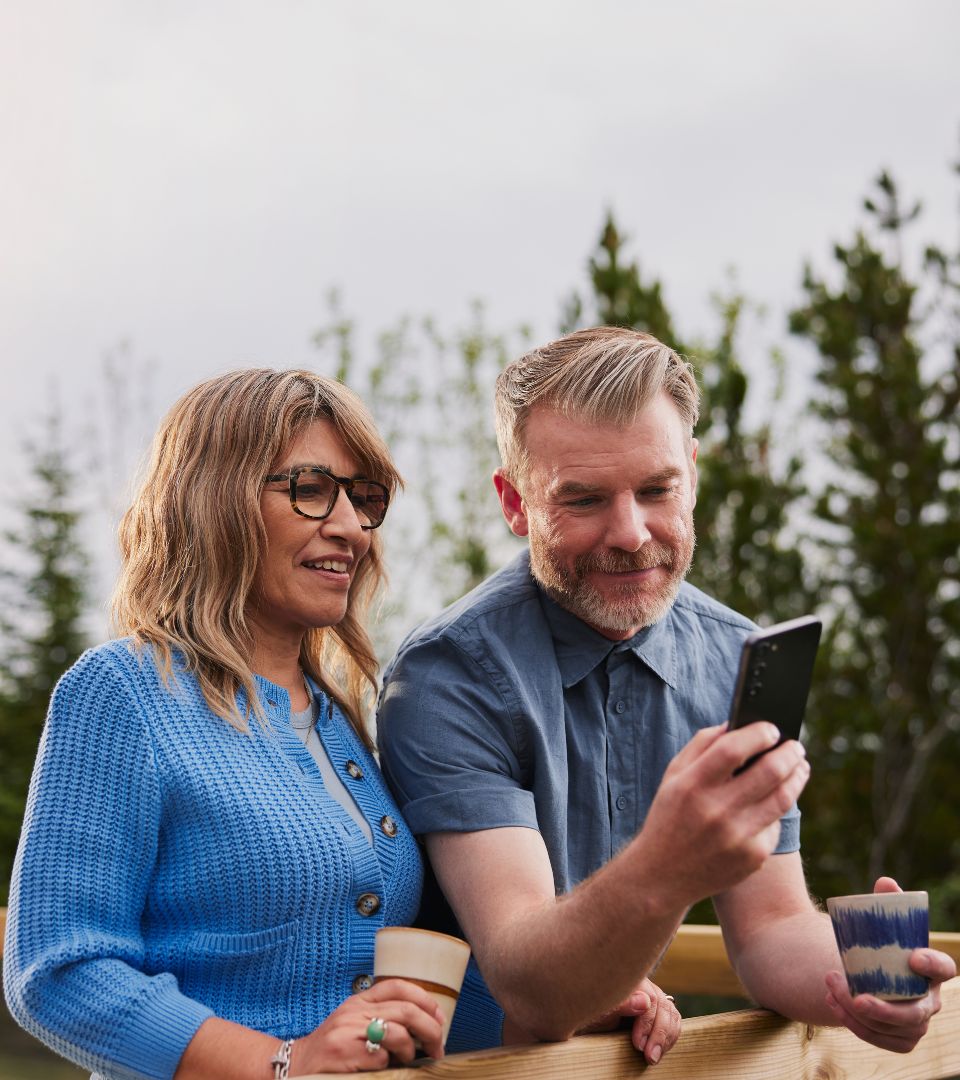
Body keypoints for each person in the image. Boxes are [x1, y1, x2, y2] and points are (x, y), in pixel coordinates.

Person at [378, 326, 956, 1063]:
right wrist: (674, 859)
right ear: (514, 503)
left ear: (693, 472)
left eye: (657, 490)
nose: (630, 533)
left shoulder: (739, 656)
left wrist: (864, 983)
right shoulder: (446, 678)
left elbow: (773, 926)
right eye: (582, 499)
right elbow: (532, 986)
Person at [3, 369, 447, 1078]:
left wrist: (566, 1000)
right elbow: (58, 970)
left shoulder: (342, 720)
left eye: (364, 499)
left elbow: (390, 991)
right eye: (310, 489)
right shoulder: (123, 692)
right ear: (215, 500)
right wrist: (281, 1062)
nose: (349, 527)